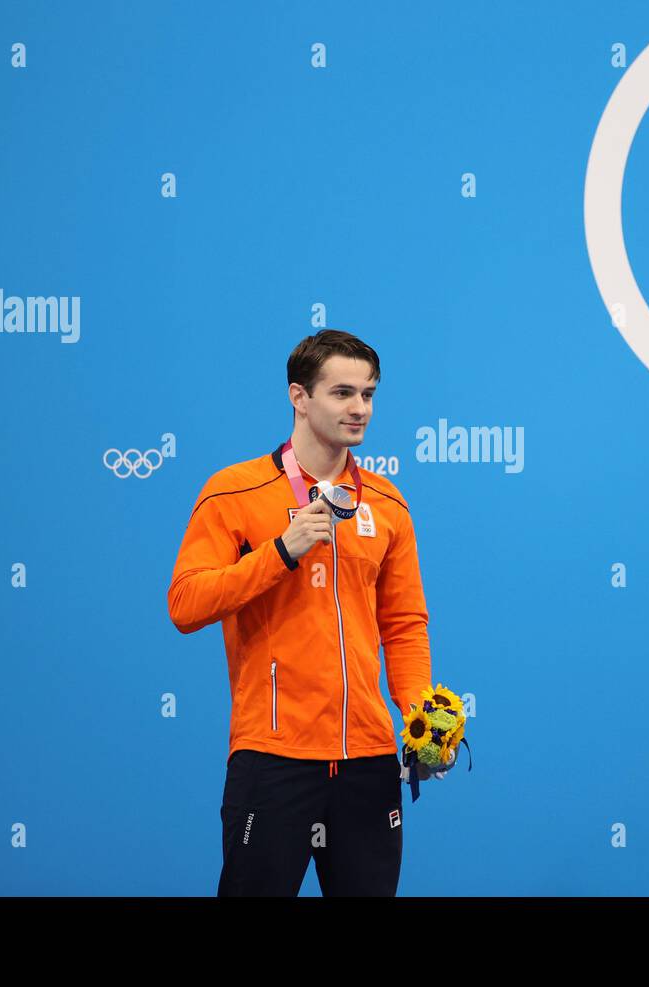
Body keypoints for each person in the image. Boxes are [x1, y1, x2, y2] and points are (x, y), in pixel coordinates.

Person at [166, 329, 434, 896]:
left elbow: (405, 624)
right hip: (273, 757)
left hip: (367, 759)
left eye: (368, 394)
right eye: (342, 393)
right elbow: (186, 605)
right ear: (299, 397)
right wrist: (280, 552)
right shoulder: (235, 491)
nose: (359, 408)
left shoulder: (386, 503)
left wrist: (419, 713)